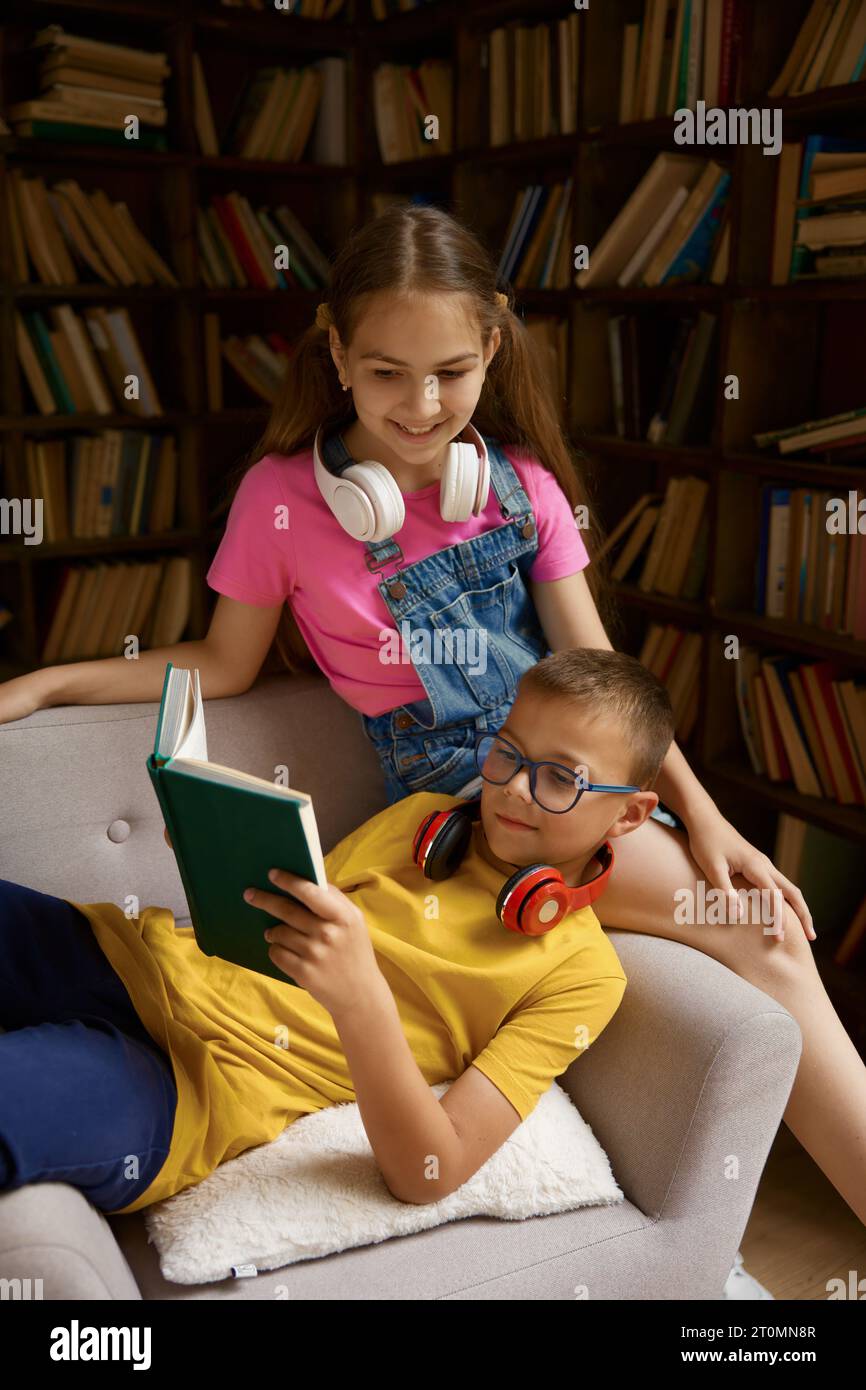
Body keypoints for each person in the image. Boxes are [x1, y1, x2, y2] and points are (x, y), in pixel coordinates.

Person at [1, 204, 864, 1226]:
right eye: (384, 373)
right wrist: (47, 682)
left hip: (568, 779)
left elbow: (600, 676)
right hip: (456, 796)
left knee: (766, 937)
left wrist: (707, 820)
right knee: (761, 939)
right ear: (334, 351)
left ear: (492, 347)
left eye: (451, 372)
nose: (420, 405)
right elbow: (221, 666)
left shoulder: (522, 486)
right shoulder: (280, 500)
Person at [0, 649, 669, 1215]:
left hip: (195, 1080)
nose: (518, 789)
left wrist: (361, 998)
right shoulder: (424, 817)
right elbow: (275, 923)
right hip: (126, 957)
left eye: (560, 778)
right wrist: (216, 851)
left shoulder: (583, 977)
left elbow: (430, 1172)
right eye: (508, 754)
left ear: (631, 816)